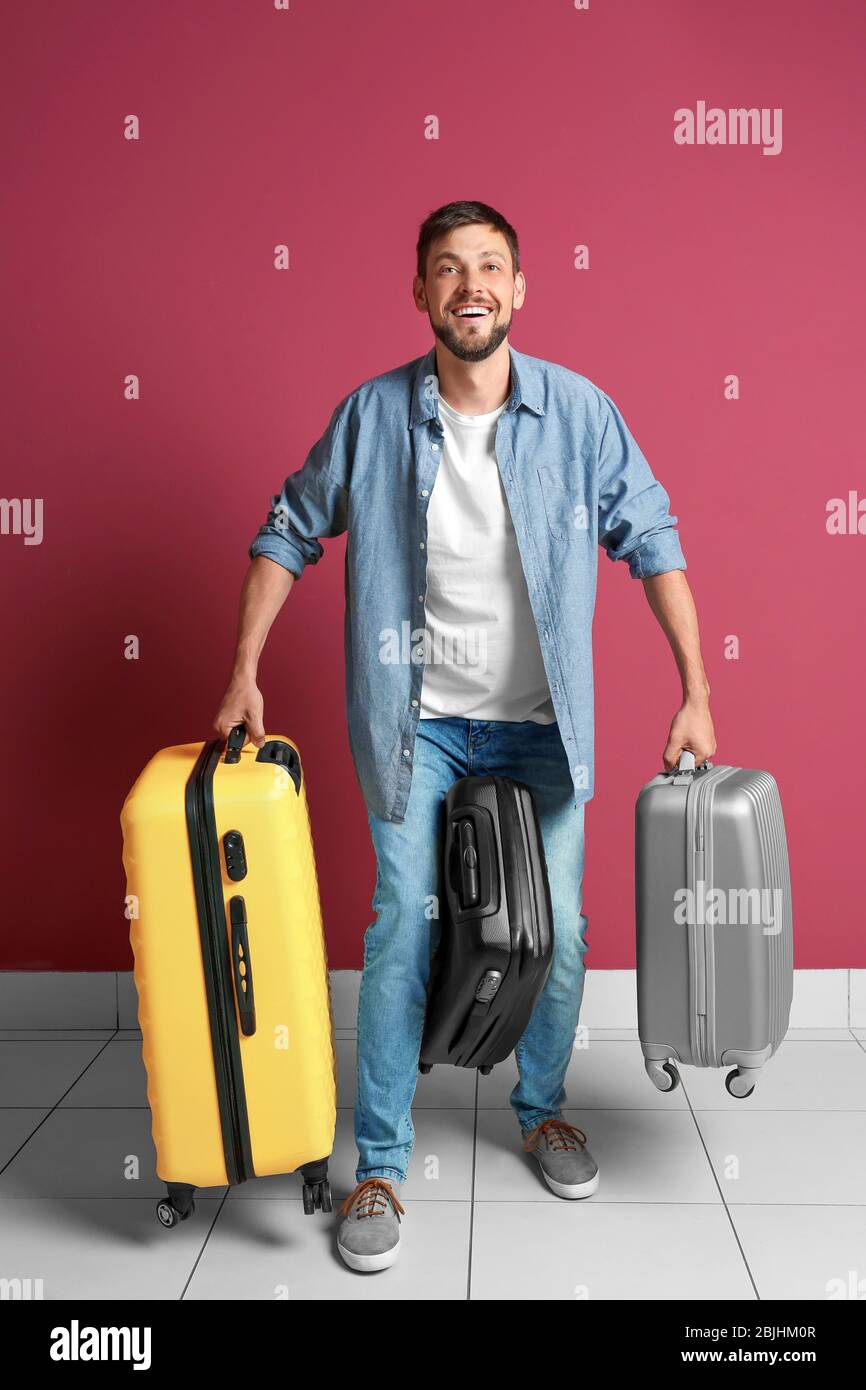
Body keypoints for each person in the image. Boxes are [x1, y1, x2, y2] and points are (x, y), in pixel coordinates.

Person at [213, 200, 716, 1273]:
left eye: (488, 266)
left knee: (564, 930)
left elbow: (653, 536)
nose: (469, 285)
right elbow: (285, 528)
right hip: (418, 725)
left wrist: (694, 688)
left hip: (540, 729)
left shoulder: (578, 416)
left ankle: (540, 1108)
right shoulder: (372, 414)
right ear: (420, 292)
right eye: (447, 269)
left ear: (519, 288)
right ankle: (384, 1163)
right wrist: (244, 670)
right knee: (402, 920)